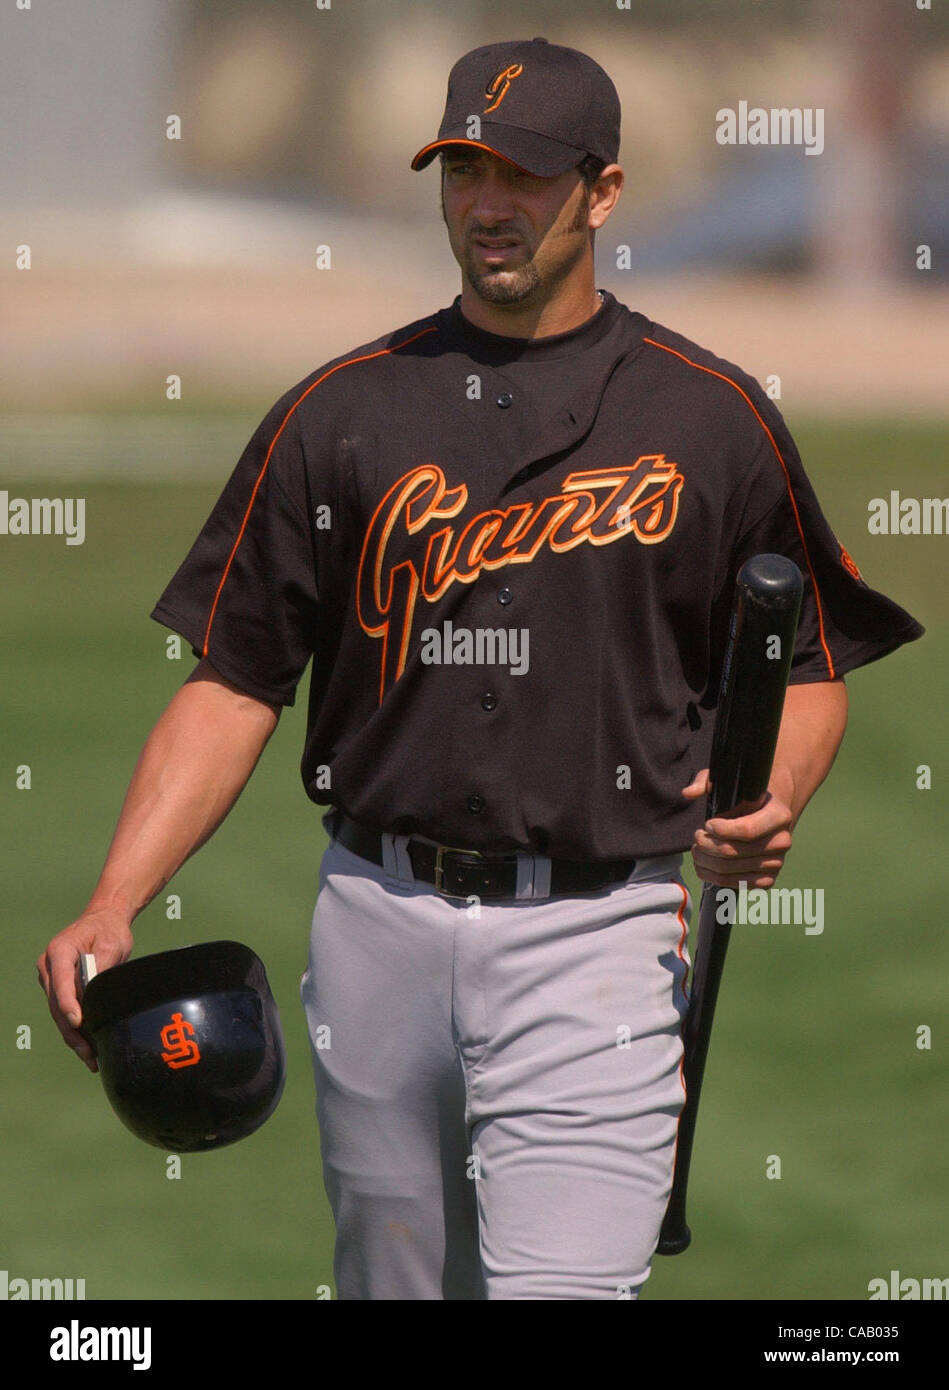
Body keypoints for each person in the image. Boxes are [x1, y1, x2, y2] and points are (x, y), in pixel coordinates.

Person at [38, 38, 922, 1300]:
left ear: (602, 193)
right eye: (461, 171)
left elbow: (813, 660)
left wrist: (763, 798)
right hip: (373, 932)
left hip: (598, 935)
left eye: (520, 176)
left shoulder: (706, 418)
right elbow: (235, 679)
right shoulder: (342, 411)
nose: (485, 206)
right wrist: (117, 900)